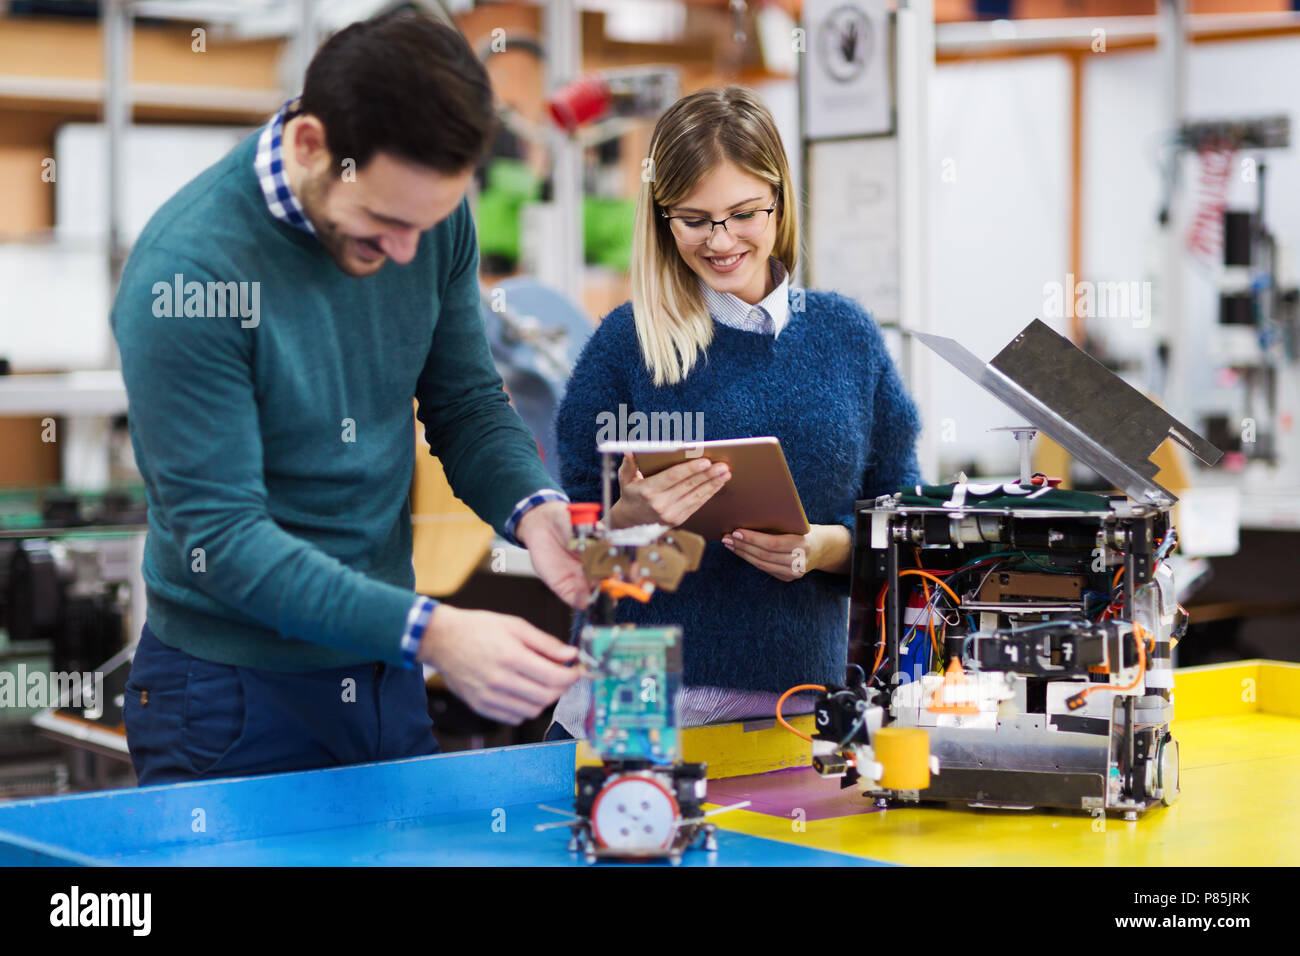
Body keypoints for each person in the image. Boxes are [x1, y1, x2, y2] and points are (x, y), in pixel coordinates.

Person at [111, 11, 588, 785]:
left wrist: (535, 512)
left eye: (426, 224)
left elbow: (465, 404)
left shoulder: (425, 212)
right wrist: (432, 635)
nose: (406, 252)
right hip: (226, 698)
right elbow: (226, 542)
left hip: (380, 674)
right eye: (384, 223)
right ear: (310, 146)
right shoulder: (187, 275)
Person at [547, 86, 922, 739]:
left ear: (780, 199)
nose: (720, 241)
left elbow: (908, 528)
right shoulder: (625, 344)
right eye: (694, 219)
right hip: (638, 687)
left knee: (788, 842)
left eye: (743, 212)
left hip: (799, 697)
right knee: (631, 839)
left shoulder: (847, 337)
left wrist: (825, 548)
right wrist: (627, 521)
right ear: (662, 218)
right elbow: (567, 545)